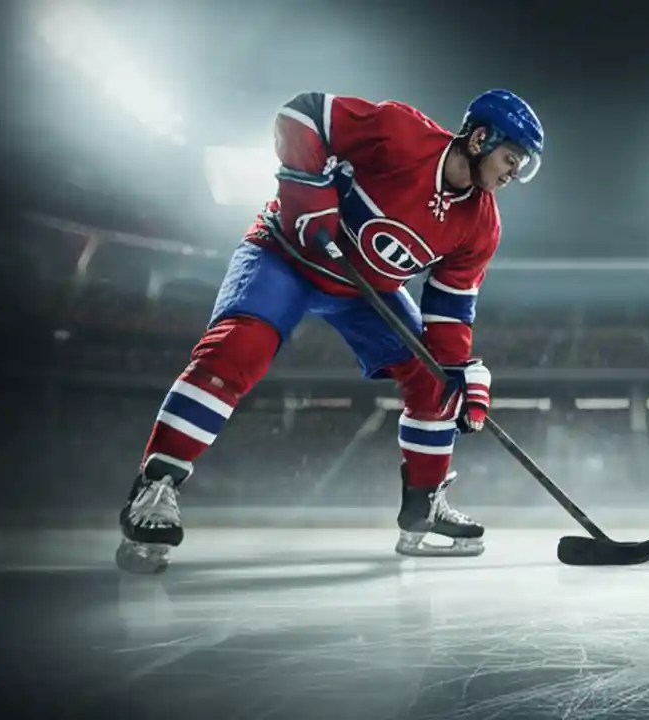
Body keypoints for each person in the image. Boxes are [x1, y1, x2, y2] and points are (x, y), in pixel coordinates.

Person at [116, 89, 544, 572]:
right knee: (237, 350)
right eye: (511, 159)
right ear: (480, 138)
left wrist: (457, 374)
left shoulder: (482, 225)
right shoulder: (402, 133)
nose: (513, 174)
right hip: (287, 255)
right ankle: (156, 485)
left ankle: (422, 506)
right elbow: (302, 114)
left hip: (365, 289)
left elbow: (450, 308)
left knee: (435, 381)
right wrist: (307, 194)